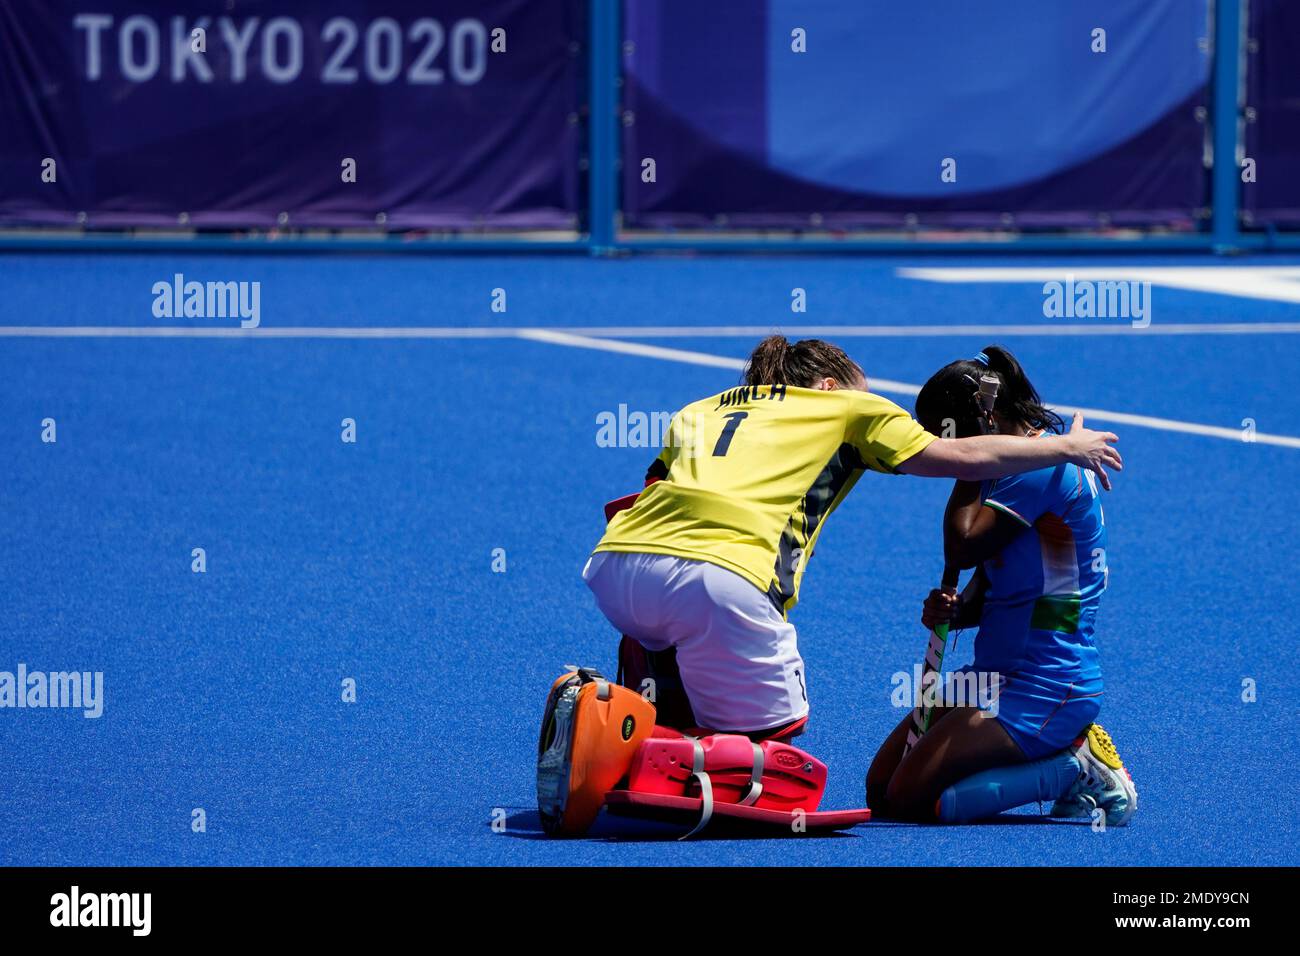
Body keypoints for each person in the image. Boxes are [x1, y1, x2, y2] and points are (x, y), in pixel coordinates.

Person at [582, 335, 1122, 750]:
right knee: (769, 747)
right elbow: (960, 459)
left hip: (616, 569)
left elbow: (647, 491)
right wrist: (1064, 447)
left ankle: (636, 709)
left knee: (664, 633)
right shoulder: (849, 409)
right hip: (721, 578)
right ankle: (692, 751)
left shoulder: (701, 408)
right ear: (827, 386)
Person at [865, 345, 1136, 825]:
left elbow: (963, 547)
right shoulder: (1018, 463)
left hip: (1047, 683)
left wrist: (972, 462)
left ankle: (1073, 769)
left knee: (910, 798)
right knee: (882, 789)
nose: (941, 451)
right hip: (991, 674)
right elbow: (996, 578)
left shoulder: (1044, 468)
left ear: (977, 423)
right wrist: (959, 610)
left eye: (945, 436)